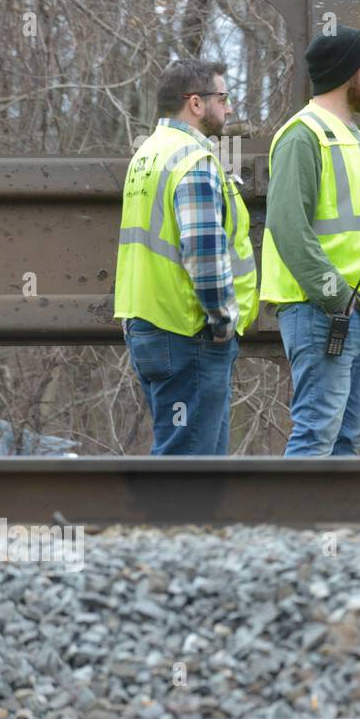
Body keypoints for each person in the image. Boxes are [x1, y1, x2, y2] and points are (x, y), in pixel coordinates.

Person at [260, 26, 360, 456]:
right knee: (317, 432)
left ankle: (331, 524)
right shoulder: (302, 135)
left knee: (347, 436)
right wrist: (336, 296)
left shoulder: (355, 138)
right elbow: (288, 226)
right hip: (329, 311)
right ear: (347, 72)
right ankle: (298, 524)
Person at [114, 59, 258, 455]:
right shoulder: (192, 160)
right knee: (189, 465)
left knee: (186, 455)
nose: (228, 108)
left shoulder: (148, 155)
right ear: (196, 103)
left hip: (149, 324)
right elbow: (203, 252)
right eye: (223, 98)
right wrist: (224, 319)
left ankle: (182, 518)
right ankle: (168, 519)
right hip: (188, 330)